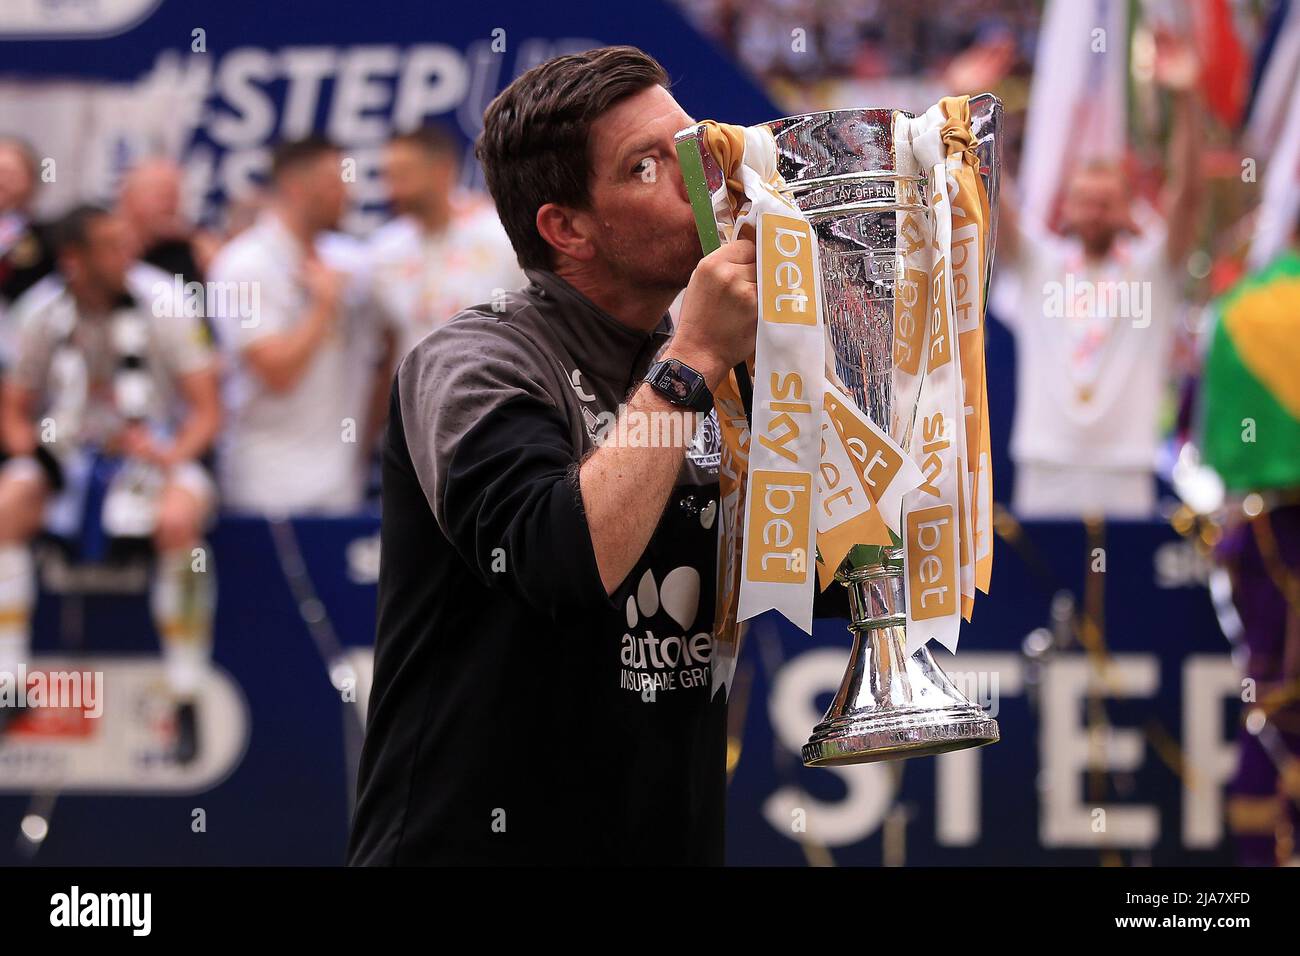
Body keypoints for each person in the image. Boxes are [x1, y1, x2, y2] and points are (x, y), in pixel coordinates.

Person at [348, 45, 764, 865]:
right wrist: (690, 366)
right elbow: (557, 560)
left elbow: (818, 581)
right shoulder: (472, 362)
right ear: (565, 228)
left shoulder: (727, 364)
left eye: (695, 146)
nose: (697, 177)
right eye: (648, 164)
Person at [0, 205, 221, 761]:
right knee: (7, 505)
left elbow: (206, 412)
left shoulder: (165, 299)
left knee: (177, 523)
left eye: (127, 242)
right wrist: (38, 454)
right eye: (109, 246)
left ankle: (186, 691)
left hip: (156, 453)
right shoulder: (39, 311)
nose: (125, 256)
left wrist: (170, 454)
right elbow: (15, 410)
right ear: (73, 260)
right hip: (70, 459)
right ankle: (9, 680)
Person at [996, 34, 1203, 519]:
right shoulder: (1037, 262)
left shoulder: (1154, 269)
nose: (1094, 211)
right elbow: (993, 197)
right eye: (1084, 200)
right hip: (1045, 464)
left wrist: (1186, 99)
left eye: (1106, 201)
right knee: (1044, 594)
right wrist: (965, 115)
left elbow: (1189, 195)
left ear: (1127, 209)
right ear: (1066, 208)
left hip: (1125, 467)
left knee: (1120, 595)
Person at [207, 136, 384, 516]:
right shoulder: (244, 267)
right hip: (268, 482)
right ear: (294, 186)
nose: (346, 194)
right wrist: (322, 307)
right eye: (333, 184)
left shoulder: (347, 259)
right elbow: (276, 372)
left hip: (340, 481)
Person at [368, 125, 524, 361]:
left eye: (404, 174)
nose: (393, 189)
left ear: (443, 170)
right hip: (415, 392)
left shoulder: (502, 237)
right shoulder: (385, 248)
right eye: (388, 176)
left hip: (493, 387)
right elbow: (387, 338)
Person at [0, 137, 56, 351]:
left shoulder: (48, 239)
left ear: (32, 182)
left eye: (10, 174)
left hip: (21, 347)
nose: (2, 181)